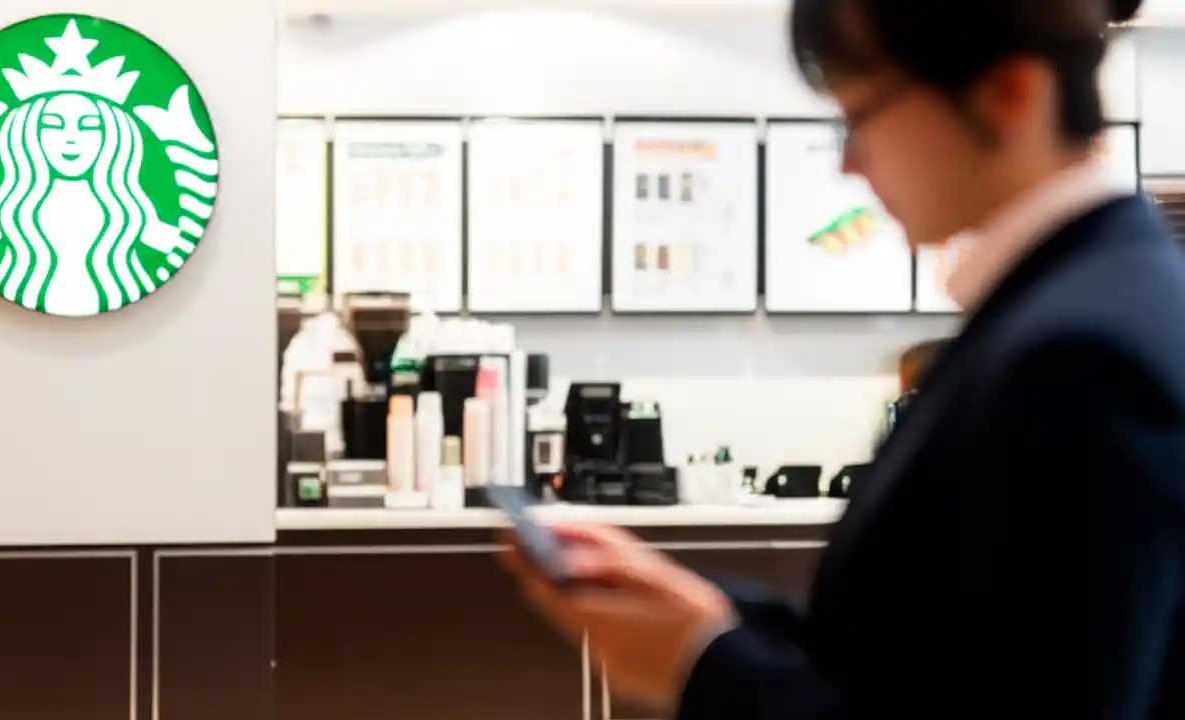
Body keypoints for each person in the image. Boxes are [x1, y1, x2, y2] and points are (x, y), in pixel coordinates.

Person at [501, 0, 1185, 717]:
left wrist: (701, 663)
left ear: (1009, 94)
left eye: (863, 113)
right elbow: (925, 658)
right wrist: (702, 616)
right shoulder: (1073, 303)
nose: (849, 162)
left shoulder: (1082, 357)